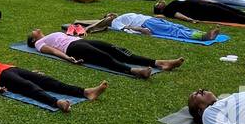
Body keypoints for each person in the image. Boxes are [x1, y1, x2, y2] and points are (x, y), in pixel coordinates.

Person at [0, 56, 106, 111]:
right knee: (29, 88)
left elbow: (4, 66)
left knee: (48, 81)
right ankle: (58, 102)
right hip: (3, 77)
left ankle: (85, 92)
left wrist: (32, 73)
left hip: (12, 70)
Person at [26, 28, 183, 78]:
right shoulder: (40, 43)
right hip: (72, 49)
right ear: (33, 40)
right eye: (33, 32)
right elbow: (52, 50)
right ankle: (134, 71)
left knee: (116, 49)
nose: (35, 29)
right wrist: (68, 58)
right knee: (103, 57)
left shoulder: (47, 35)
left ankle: (158, 63)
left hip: (78, 41)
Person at [73, 11, 222, 43]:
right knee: (175, 31)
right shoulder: (115, 23)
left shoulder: (119, 17)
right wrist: (141, 30)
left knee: (176, 26)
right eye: (107, 15)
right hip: (147, 24)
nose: (111, 14)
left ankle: (202, 33)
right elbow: (127, 29)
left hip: (151, 20)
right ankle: (204, 36)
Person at [155, 0, 245, 26]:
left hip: (206, 5)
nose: (160, 2)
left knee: (235, 11)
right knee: (231, 16)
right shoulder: (168, 9)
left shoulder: (172, 2)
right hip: (203, 13)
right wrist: (189, 20)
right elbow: (177, 15)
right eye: (158, 4)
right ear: (159, 9)